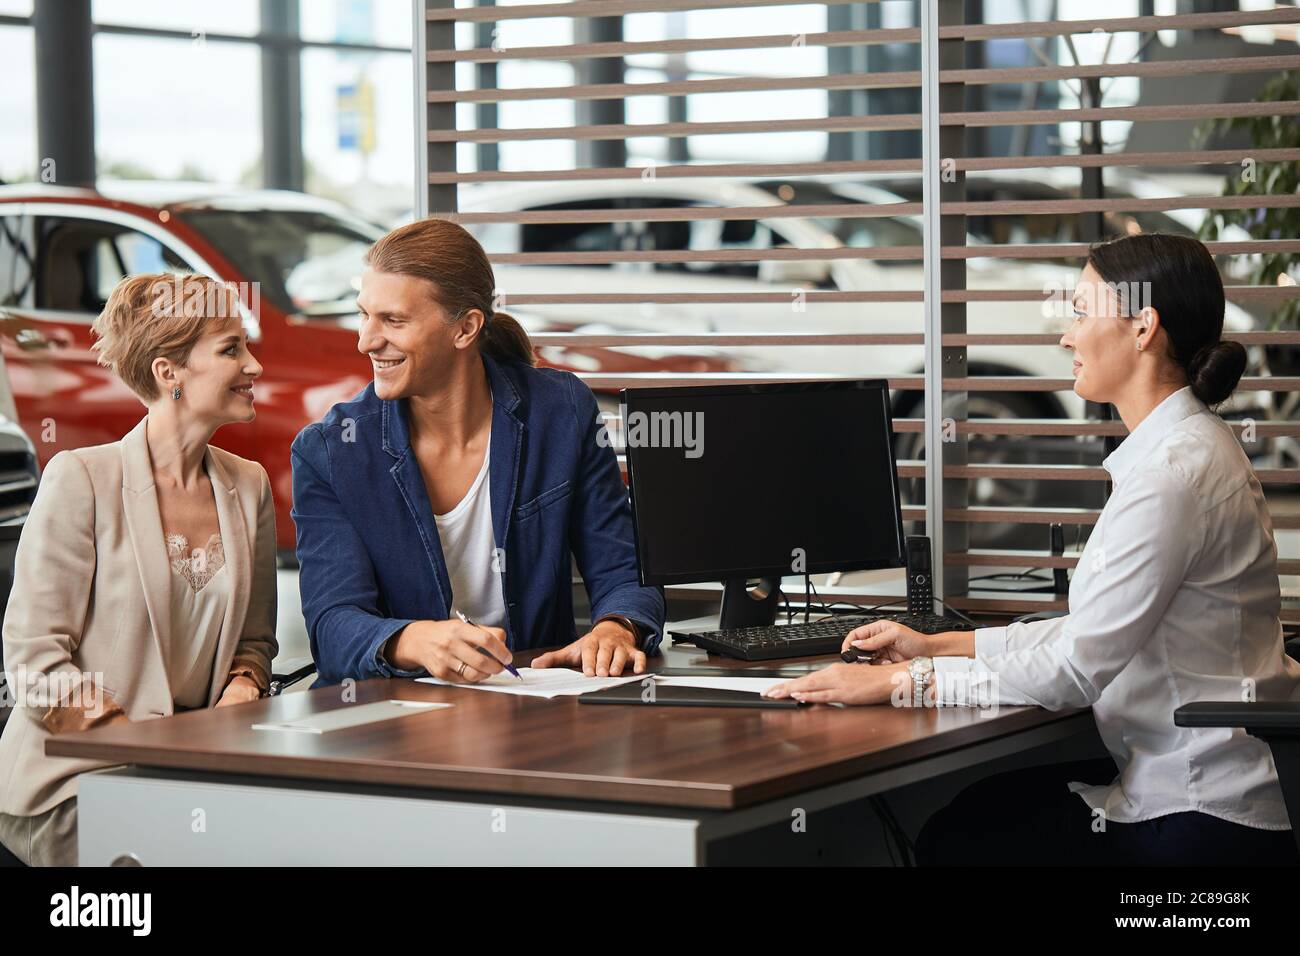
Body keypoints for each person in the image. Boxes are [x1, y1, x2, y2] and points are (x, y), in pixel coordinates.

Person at [765, 233, 1300, 865]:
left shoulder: (1171, 477)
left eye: (1080, 312)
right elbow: (1085, 636)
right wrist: (936, 645)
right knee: (968, 816)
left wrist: (905, 682)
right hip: (1203, 787)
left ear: (1142, 328)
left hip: (1197, 815)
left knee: (959, 836)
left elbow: (1075, 669)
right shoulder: (1190, 448)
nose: (1067, 337)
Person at [291, 218, 664, 687]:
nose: (366, 340)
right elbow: (333, 625)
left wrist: (616, 627)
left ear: (465, 328)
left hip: (533, 699)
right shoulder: (330, 452)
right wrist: (415, 640)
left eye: (393, 320)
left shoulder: (560, 411)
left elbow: (623, 570)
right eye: (364, 314)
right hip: (392, 716)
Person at [0, 273, 278, 866]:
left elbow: (254, 643)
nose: (253, 365)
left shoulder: (249, 487)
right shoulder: (81, 479)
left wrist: (243, 687)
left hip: (189, 775)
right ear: (167, 372)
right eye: (231, 349)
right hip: (73, 781)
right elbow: (34, 662)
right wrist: (147, 745)